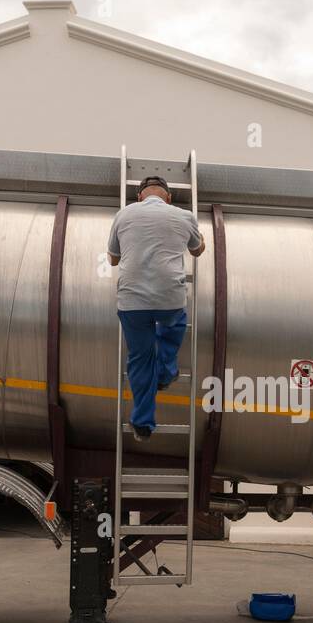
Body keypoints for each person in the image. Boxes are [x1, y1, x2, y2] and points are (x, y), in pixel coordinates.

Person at [107, 175, 206, 441]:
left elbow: (113, 260)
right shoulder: (185, 216)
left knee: (139, 359)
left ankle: (142, 424)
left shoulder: (123, 215)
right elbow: (198, 251)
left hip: (132, 302)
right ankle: (165, 372)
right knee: (174, 326)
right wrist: (199, 238)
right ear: (168, 197)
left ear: (139, 196)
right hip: (169, 299)